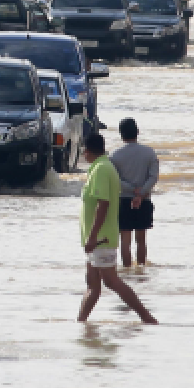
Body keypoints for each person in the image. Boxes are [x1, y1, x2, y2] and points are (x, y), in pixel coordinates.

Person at [77, 132, 158, 324]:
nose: (83, 155)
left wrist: (93, 236)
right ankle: (80, 323)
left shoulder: (102, 170)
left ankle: (146, 317)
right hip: (96, 239)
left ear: (87, 151)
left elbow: (102, 204)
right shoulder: (100, 167)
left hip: (100, 238)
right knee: (93, 284)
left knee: (111, 281)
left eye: (83, 151)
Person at [108, 117, 160, 267]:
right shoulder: (149, 152)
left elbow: (115, 181)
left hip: (123, 200)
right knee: (141, 240)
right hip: (143, 200)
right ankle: (141, 270)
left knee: (125, 240)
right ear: (137, 132)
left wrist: (131, 189)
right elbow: (153, 177)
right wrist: (141, 193)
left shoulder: (115, 155)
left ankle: (127, 270)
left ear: (121, 134)